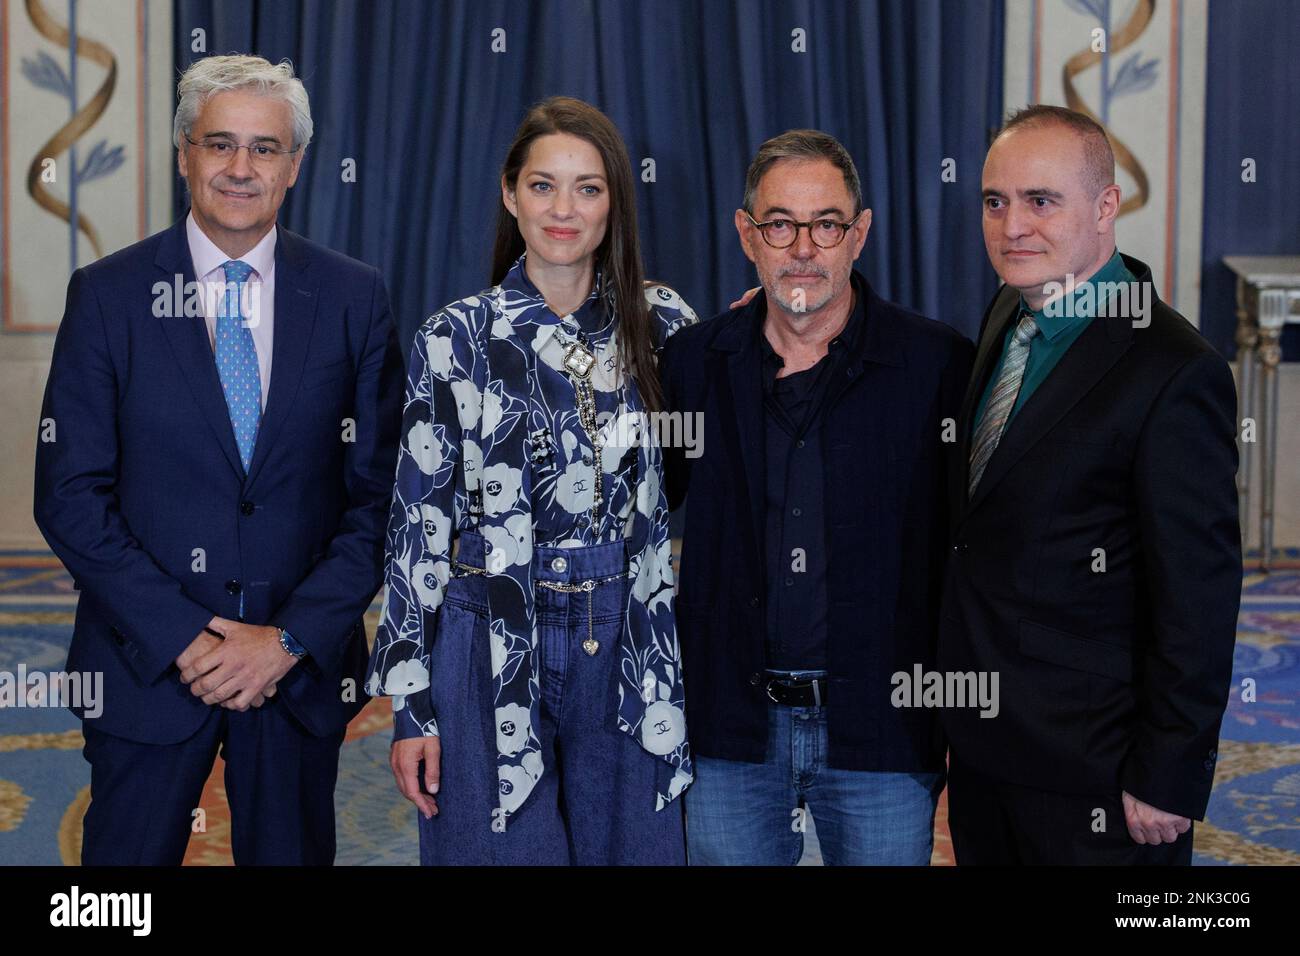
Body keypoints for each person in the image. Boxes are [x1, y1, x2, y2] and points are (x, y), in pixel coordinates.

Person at [33, 55, 402, 864]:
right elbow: (69, 495)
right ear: (182, 154)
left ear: (296, 164)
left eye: (265, 149)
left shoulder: (353, 296)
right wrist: (190, 642)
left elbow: (379, 500)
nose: (241, 168)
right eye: (220, 144)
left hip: (295, 675)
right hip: (146, 667)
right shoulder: (108, 296)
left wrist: (284, 641)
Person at [365, 96, 696, 865]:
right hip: (486, 625)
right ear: (511, 195)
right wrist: (413, 712)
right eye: (543, 186)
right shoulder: (455, 338)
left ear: (615, 202)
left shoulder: (667, 325)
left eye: (588, 187)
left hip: (627, 634)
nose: (564, 209)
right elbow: (418, 529)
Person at [660, 130, 974, 865]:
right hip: (728, 729)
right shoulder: (694, 364)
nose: (803, 247)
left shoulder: (936, 365)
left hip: (884, 731)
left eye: (826, 223)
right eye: (780, 224)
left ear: (858, 234)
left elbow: (973, 552)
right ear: (748, 235)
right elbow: (635, 518)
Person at [939, 105, 1241, 865]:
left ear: (1107, 206)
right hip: (984, 751)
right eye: (995, 201)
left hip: (1101, 775)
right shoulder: (1010, 309)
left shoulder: (1176, 371)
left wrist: (1170, 772)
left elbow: (1198, 595)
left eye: (1042, 201)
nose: (1012, 226)